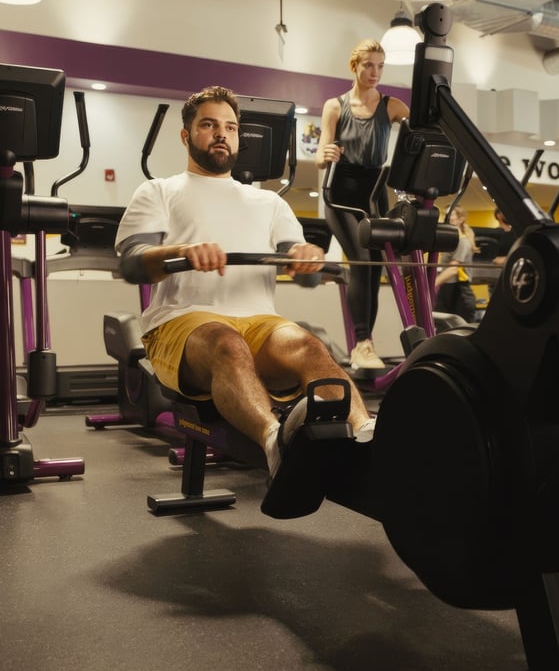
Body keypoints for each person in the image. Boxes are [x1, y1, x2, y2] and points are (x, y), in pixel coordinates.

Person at [115, 85, 374, 517]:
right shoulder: (159, 191)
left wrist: (306, 257)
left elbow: (306, 273)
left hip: (258, 322)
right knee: (227, 344)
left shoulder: (269, 202)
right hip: (180, 323)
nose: (222, 134)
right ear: (186, 136)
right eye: (209, 125)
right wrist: (181, 252)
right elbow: (131, 263)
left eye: (231, 127)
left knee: (309, 346)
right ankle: (278, 446)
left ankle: (366, 435)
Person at [316, 39, 410, 371]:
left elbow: (421, 130)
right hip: (340, 194)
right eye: (369, 65)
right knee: (360, 259)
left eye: (380, 66)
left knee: (376, 267)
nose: (375, 72)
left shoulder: (391, 106)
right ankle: (361, 343)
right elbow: (320, 153)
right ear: (354, 66)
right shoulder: (335, 106)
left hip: (375, 194)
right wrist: (326, 153)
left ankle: (365, 345)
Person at [434, 204, 477, 323]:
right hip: (447, 290)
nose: (447, 217)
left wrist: (432, 284)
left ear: (460, 219)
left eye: (450, 214)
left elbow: (453, 269)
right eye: (446, 214)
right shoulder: (452, 242)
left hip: (459, 293)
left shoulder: (462, 241)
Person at [489, 206, 516, 294]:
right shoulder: (493, 235)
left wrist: (506, 259)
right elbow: (491, 259)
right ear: (499, 215)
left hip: (514, 275)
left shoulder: (517, 233)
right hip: (497, 277)